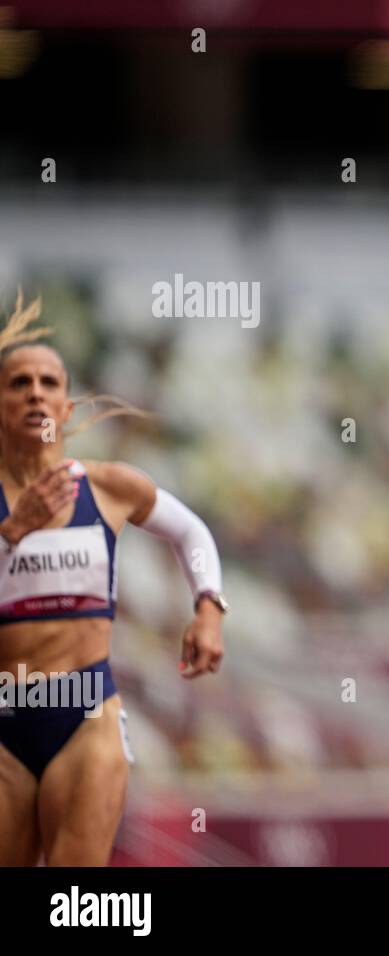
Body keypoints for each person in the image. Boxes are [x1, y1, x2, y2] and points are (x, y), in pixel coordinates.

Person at [0, 291, 228, 866]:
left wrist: (208, 607)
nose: (35, 394)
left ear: (67, 408)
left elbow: (192, 531)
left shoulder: (107, 488)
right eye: (19, 383)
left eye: (49, 383)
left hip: (85, 714)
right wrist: (10, 533)